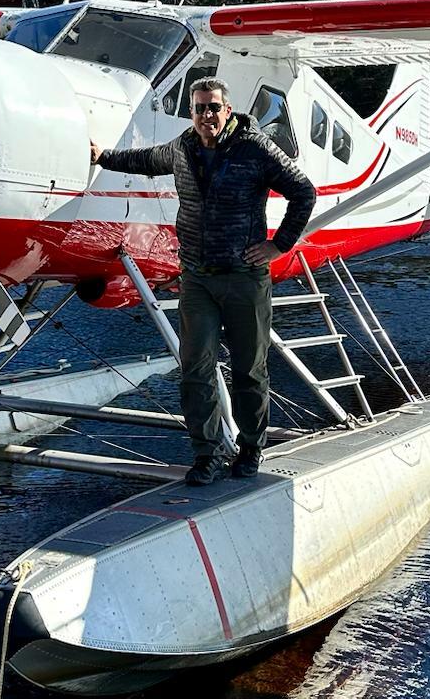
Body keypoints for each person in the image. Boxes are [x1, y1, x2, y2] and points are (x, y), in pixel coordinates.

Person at [90, 78, 316, 485]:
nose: (206, 116)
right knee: (196, 369)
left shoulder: (255, 147)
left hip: (245, 278)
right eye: (199, 109)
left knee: (249, 369)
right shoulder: (183, 147)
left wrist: (277, 245)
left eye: (213, 108)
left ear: (227, 111)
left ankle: (250, 448)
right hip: (196, 278)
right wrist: (103, 156)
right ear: (192, 112)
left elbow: (304, 191)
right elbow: (144, 159)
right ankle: (208, 454)